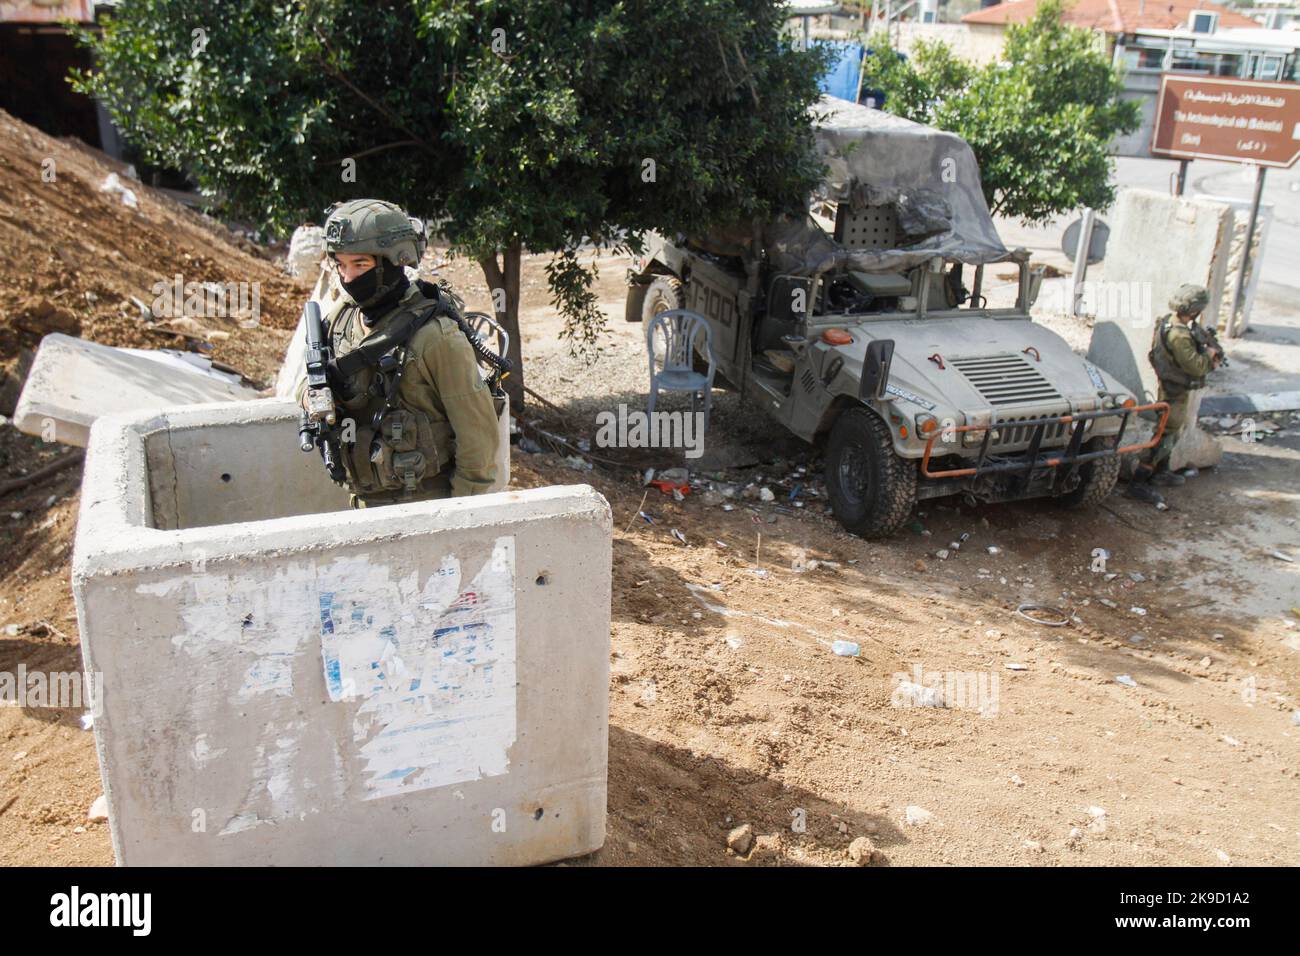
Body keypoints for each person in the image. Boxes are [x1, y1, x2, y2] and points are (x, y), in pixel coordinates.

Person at [297, 198, 500, 508]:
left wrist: (457, 521)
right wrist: (312, 396)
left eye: (360, 264)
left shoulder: (436, 337)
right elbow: (310, 380)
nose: (348, 277)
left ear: (393, 261)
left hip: (424, 508)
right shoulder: (341, 320)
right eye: (341, 264)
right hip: (363, 503)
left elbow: (478, 444)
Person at [1126, 283, 1223, 506]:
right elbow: (1196, 367)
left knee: (1172, 431)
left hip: (1174, 387)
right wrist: (1210, 358)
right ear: (1195, 309)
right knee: (1164, 436)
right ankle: (1138, 483)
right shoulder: (1179, 335)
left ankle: (1161, 471)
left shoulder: (1171, 322)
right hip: (1173, 390)